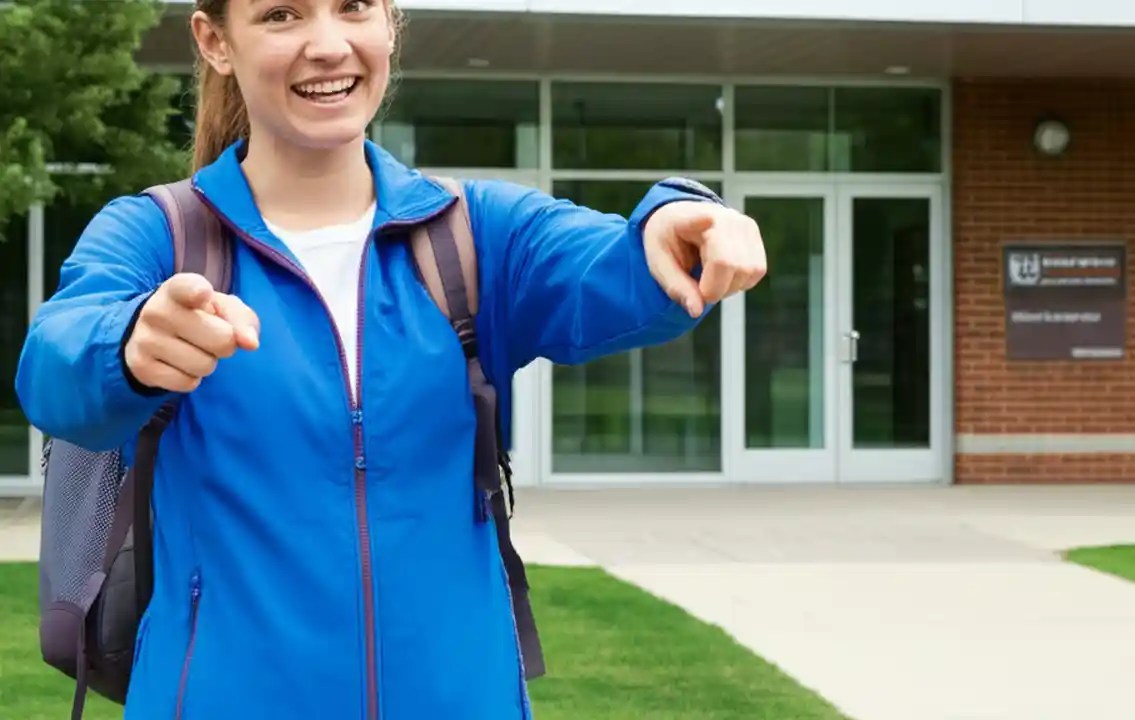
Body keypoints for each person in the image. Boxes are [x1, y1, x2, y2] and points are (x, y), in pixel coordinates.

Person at [14, 0, 766, 718]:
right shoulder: (157, 235)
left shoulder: (476, 233)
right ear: (215, 41)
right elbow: (53, 368)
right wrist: (131, 346)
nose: (327, 44)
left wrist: (676, 211)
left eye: (353, 7)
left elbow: (618, 267)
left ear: (390, 26)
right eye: (281, 15)